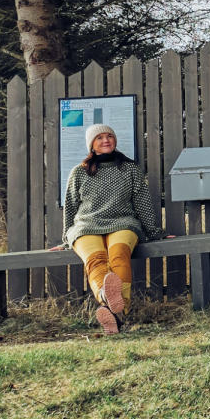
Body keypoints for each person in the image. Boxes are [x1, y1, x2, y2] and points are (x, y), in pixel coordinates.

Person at [63, 124, 166, 334]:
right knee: (96, 260)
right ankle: (109, 303)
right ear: (92, 144)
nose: (105, 140)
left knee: (119, 256)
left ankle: (114, 311)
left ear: (115, 139)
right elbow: (71, 206)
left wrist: (154, 232)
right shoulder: (79, 172)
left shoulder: (130, 169)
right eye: (99, 137)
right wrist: (66, 238)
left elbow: (142, 203)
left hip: (123, 223)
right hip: (86, 227)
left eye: (109, 136)